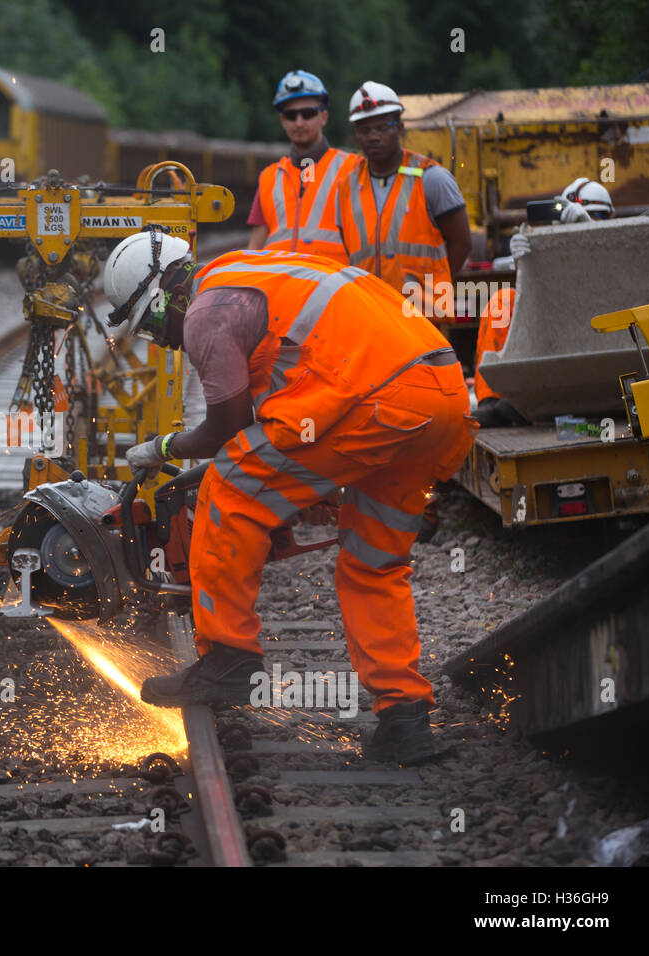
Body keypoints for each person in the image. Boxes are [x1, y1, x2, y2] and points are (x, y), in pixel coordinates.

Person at [103, 228, 477, 764]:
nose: (163, 341)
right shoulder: (249, 272)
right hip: (440, 402)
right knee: (374, 566)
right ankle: (406, 721)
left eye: (154, 326)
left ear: (163, 291)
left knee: (227, 490)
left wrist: (162, 448)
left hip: (373, 401)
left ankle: (228, 658)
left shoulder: (208, 311)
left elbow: (227, 426)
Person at [473, 178, 615, 426]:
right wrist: (526, 262)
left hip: (598, 338)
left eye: (596, 216)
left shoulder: (621, 245)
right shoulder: (556, 244)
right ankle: (493, 404)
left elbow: (605, 284)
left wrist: (587, 231)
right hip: (556, 340)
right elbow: (540, 295)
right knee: (503, 302)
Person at [335, 82, 471, 323]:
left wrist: (430, 293)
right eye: (364, 130)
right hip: (370, 319)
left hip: (423, 320)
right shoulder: (347, 188)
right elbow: (352, 250)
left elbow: (461, 243)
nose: (373, 137)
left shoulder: (432, 179)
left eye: (381, 127)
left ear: (399, 127)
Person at [247, 70, 354, 262]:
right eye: (291, 115)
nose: (299, 122)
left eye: (307, 114)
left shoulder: (351, 170)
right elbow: (254, 249)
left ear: (324, 117)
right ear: (282, 121)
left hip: (331, 287)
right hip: (279, 288)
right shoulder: (269, 178)